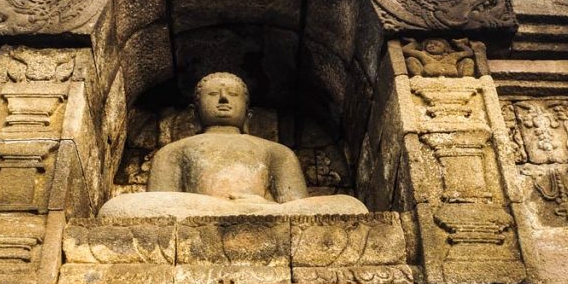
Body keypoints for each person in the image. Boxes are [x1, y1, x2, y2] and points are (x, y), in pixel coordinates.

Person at [98, 72, 368, 218]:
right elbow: (157, 206)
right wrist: (217, 207)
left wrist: (266, 208)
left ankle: (252, 211)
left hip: (266, 215)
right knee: (116, 210)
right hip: (200, 213)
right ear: (194, 113)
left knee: (351, 207)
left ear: (248, 113)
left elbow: (297, 211)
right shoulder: (173, 152)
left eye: (233, 94)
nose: (224, 99)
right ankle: (237, 212)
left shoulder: (277, 152)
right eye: (214, 94)